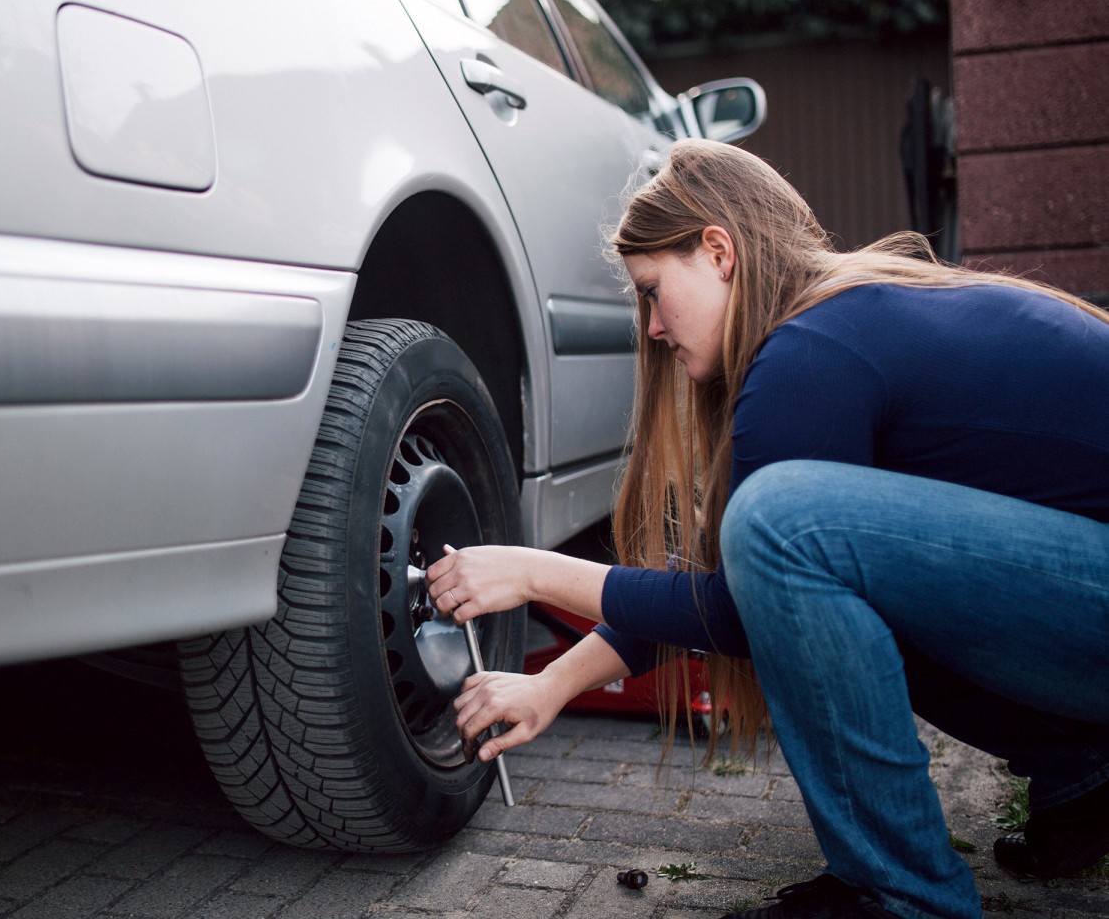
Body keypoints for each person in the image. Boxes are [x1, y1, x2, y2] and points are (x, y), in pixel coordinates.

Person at [425, 139, 1109, 919]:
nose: (650, 326)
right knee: (794, 547)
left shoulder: (812, 349)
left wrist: (536, 571)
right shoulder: (848, 321)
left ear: (719, 251)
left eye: (653, 291)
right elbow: (733, 579)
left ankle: (900, 894)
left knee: (780, 526)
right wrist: (552, 682)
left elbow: (735, 605)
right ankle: (1081, 768)